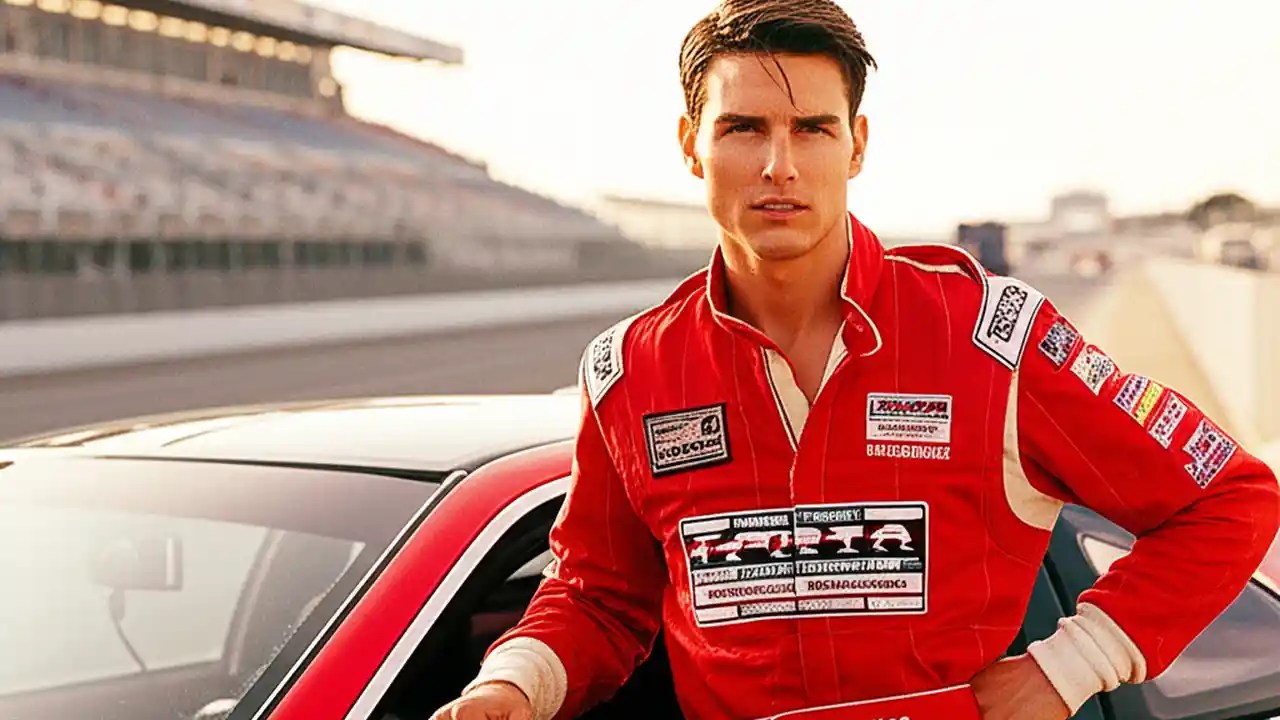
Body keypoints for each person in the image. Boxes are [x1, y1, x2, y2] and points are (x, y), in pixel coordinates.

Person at [431, 2, 1280, 719]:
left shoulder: (991, 335)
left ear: (857, 145)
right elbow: (596, 597)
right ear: (692, 144)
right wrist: (515, 685)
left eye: (812, 129)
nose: (779, 166)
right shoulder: (629, 371)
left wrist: (1075, 665)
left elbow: (1230, 497)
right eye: (743, 128)